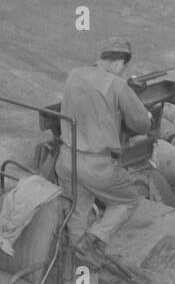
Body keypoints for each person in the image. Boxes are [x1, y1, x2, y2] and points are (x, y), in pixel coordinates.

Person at [57, 36, 152, 253]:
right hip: (95, 167)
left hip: (66, 159)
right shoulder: (117, 84)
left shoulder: (74, 74)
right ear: (120, 63)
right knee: (127, 200)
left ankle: (77, 259)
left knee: (78, 211)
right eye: (123, 67)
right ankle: (94, 238)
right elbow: (140, 124)